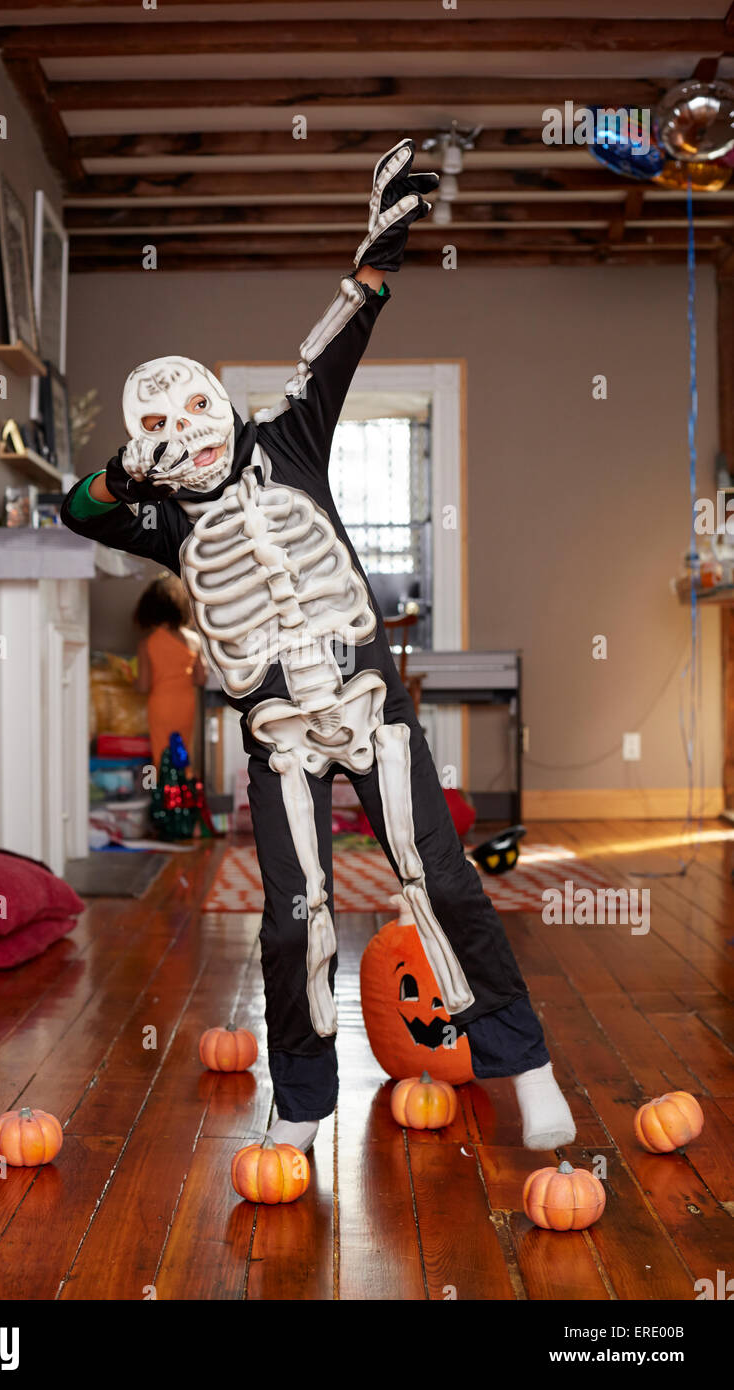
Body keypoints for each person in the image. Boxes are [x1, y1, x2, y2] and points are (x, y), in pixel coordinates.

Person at [62, 140, 576, 1157]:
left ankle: (525, 1067)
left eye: (194, 408)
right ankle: (300, 1105)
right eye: (160, 425)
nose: (188, 431)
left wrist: (383, 236)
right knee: (293, 919)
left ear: (220, 403)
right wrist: (126, 469)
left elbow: (344, 329)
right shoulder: (161, 519)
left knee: (441, 879)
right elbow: (75, 510)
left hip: (368, 710)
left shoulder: (288, 437)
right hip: (279, 739)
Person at [133, 577, 204, 770]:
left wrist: (131, 679)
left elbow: (144, 685)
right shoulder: (194, 640)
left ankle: (166, 795)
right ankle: (184, 793)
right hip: (186, 704)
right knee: (183, 752)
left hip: (161, 704)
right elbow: (200, 678)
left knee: (163, 754)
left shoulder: (147, 643)